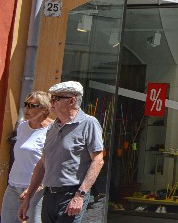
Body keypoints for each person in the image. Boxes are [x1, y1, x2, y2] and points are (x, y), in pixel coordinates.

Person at [19, 81, 104, 223]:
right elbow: (42, 163)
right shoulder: (53, 126)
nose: (51, 102)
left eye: (56, 98)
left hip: (71, 194)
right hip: (49, 194)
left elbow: (98, 160)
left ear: (72, 101)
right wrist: (28, 199)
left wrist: (80, 195)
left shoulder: (89, 123)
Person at [2, 92, 52, 223]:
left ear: (44, 109)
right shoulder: (22, 127)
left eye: (32, 105)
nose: (26, 109)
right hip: (13, 186)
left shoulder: (52, 130)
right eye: (25, 104)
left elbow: (53, 163)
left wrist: (36, 187)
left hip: (36, 189)